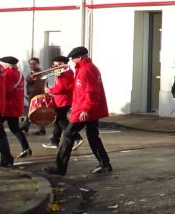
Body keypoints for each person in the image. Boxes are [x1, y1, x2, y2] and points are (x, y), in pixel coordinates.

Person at [44, 47, 113, 176]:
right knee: (93, 136)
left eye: (73, 59)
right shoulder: (86, 68)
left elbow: (91, 92)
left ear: (80, 57)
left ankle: (60, 167)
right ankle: (105, 164)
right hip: (88, 108)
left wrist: (86, 108)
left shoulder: (86, 70)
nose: (71, 61)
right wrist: (62, 76)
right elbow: (73, 87)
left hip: (84, 109)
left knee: (68, 135)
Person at [0, 56, 32, 159]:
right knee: (14, 128)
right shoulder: (19, 73)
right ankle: (26, 149)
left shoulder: (9, 73)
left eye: (2, 64)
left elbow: (6, 90)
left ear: (7, 64)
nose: (1, 65)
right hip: (15, 105)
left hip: (8, 106)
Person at [41, 56, 81, 151]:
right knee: (58, 121)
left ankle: (76, 137)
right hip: (60, 100)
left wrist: (50, 90)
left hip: (63, 100)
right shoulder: (62, 73)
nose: (54, 67)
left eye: (56, 65)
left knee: (61, 120)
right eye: (54, 65)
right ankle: (55, 140)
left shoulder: (65, 73)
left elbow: (62, 88)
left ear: (62, 64)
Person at [22, 57, 48, 136]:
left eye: (34, 64)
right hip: (34, 95)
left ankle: (42, 129)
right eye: (31, 64)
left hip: (37, 95)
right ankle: (26, 126)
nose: (32, 65)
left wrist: (31, 96)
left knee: (38, 113)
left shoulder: (39, 73)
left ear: (38, 64)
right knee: (30, 111)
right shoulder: (33, 72)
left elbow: (38, 87)